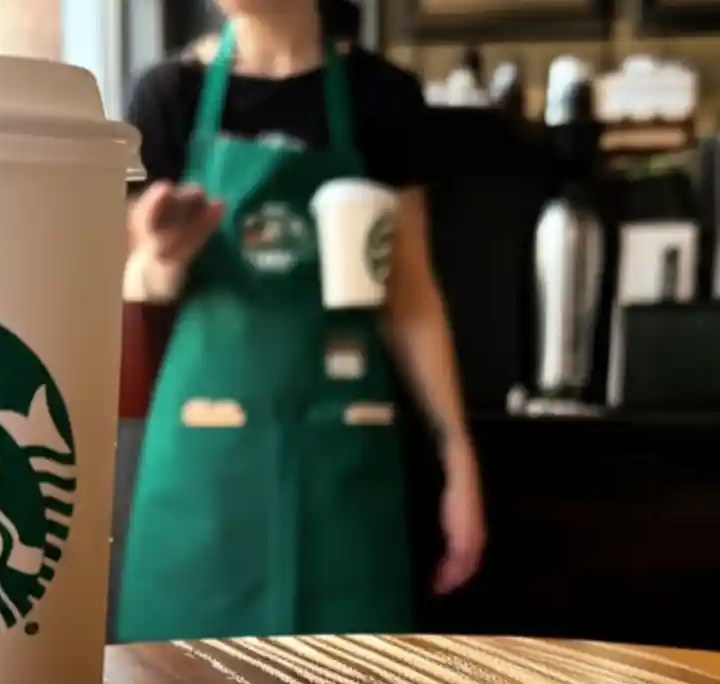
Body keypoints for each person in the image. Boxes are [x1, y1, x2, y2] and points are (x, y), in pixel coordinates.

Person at [115, 0, 484, 643]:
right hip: (206, 457)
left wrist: (458, 458)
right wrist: (161, 256)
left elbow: (411, 294)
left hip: (341, 448)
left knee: (349, 683)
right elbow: (133, 284)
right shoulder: (168, 95)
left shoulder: (382, 98)